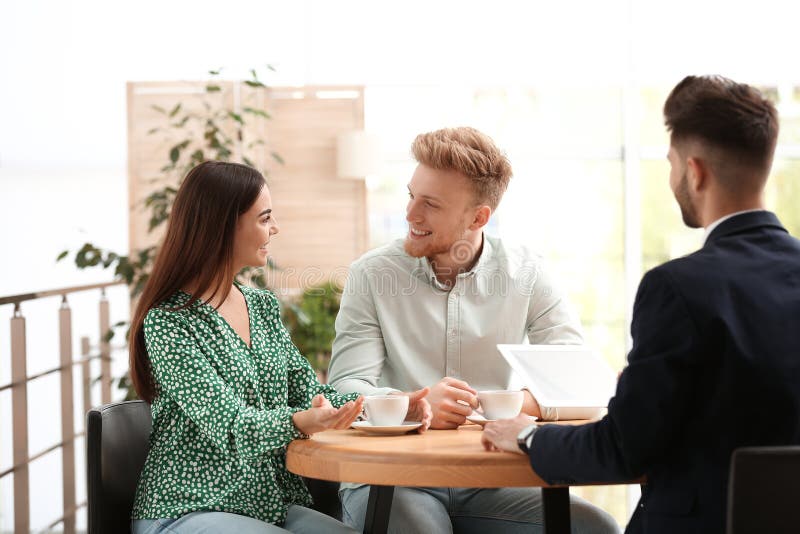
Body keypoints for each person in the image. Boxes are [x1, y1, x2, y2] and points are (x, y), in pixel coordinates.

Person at [482, 75, 800, 534]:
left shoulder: (677, 288)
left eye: (671, 164)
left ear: (695, 171)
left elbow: (621, 450)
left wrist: (529, 435)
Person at [328, 127, 619, 533]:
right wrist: (416, 402)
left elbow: (579, 385)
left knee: (596, 528)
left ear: (479, 217)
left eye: (430, 204)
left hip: (489, 478)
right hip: (393, 477)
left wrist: (508, 403)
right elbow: (344, 387)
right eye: (412, 196)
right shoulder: (372, 274)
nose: (411, 214)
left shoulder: (527, 273)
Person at [127, 161, 431, 534]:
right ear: (222, 225)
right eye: (263, 218)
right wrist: (297, 421)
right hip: (188, 507)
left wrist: (391, 406)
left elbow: (311, 392)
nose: (275, 228)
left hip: (268, 506)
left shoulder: (261, 306)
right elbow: (231, 426)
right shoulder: (168, 322)